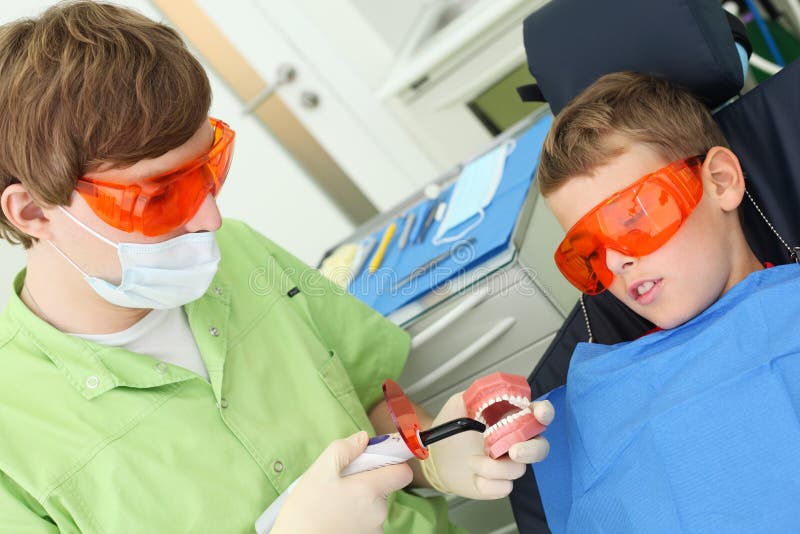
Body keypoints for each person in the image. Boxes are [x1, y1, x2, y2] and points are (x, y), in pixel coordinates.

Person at [0, 2, 554, 533]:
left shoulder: (240, 255)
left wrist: (431, 449)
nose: (210, 217)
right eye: (159, 196)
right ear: (32, 212)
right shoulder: (14, 441)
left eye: (208, 168)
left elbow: (370, 400)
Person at [532, 70, 800, 532]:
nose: (615, 261)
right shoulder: (599, 396)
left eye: (632, 218)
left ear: (719, 181)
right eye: (590, 250)